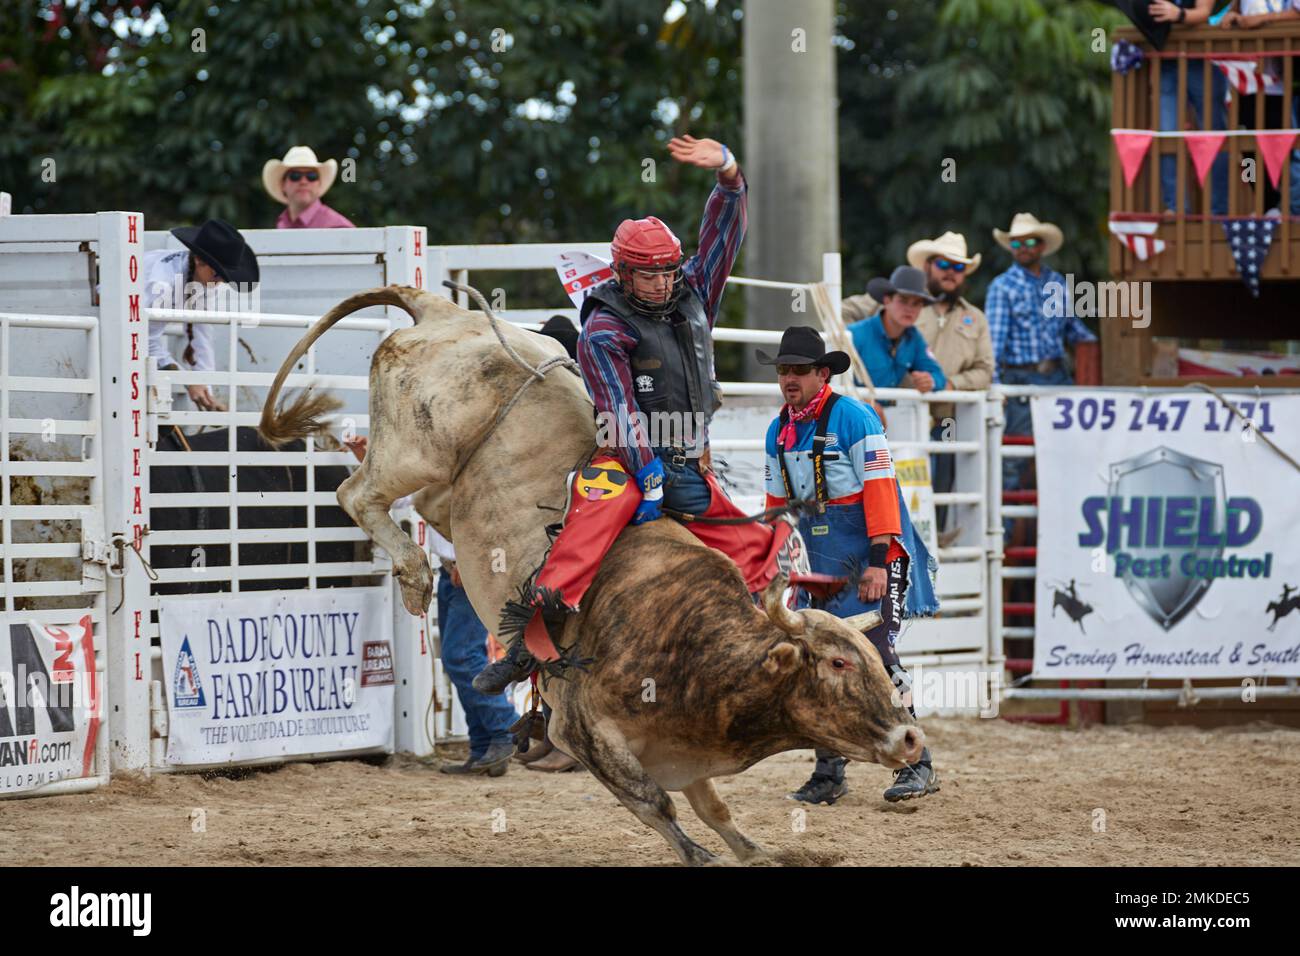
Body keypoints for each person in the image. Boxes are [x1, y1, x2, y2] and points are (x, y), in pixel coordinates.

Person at [472, 134, 803, 695]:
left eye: (667, 270)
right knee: (583, 536)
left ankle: (768, 642)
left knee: (754, 546)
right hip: (626, 459)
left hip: (687, 461)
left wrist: (727, 174)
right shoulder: (604, 328)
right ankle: (527, 649)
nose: (661, 281)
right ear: (622, 274)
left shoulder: (695, 290)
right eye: (648, 273)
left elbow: (724, 238)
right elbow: (617, 408)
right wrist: (644, 471)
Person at [758, 327, 940, 805]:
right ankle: (828, 771)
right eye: (783, 370)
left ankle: (916, 762)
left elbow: (882, 491)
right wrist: (775, 566)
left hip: (870, 554)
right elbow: (777, 506)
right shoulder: (779, 430)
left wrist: (879, 561)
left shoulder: (855, 418)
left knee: (877, 657)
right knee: (817, 662)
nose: (789, 379)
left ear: (823, 374)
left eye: (798, 370)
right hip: (819, 563)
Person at [342, 435, 520, 775]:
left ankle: (505, 728)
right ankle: (486, 747)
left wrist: (472, 563)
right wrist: (367, 456)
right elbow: (397, 497)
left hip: (472, 570)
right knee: (461, 658)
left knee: (460, 656)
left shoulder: (469, 468)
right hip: (457, 570)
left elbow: (493, 521)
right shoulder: (445, 467)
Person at [985, 213, 1096, 492]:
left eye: (1030, 241)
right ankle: (1005, 533)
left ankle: (1066, 515)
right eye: (1016, 243)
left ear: (1041, 246)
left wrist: (1095, 345)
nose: (1023, 247)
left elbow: (1072, 327)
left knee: (1071, 447)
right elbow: (994, 345)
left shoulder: (1057, 282)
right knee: (1014, 456)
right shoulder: (1002, 286)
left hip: (1057, 376)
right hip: (1020, 381)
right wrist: (996, 389)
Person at [144, 218, 260, 413]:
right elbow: (143, 340)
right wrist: (188, 381)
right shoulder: (162, 285)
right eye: (218, 274)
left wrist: (205, 386)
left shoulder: (205, 279)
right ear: (199, 260)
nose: (221, 281)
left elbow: (202, 333)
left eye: (226, 277)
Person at [1149, 1, 1229, 215]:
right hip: (1165, 61)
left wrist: (1179, 14)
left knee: (1214, 137)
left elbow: (1204, 13)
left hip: (1202, 61)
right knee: (1167, 135)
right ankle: (1176, 207)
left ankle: (1219, 209)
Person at [1221, 1, 1300, 215]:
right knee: (1248, 152)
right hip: (1244, 85)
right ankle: (1265, 203)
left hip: (1279, 85)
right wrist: (1230, 16)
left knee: (1282, 150)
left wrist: (1263, 20)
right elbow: (1233, 12)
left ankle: (1288, 205)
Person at [846, 266, 947, 392]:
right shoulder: (854, 334)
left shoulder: (914, 338)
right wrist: (862, 403)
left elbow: (939, 376)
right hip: (856, 410)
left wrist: (930, 381)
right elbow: (836, 381)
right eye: (903, 301)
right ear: (887, 300)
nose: (909, 309)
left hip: (889, 410)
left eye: (916, 304)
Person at [263, 146, 355, 229]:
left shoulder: (339, 228)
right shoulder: (282, 223)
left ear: (319, 184)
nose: (303, 182)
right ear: (283, 184)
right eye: (295, 176)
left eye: (311, 176)